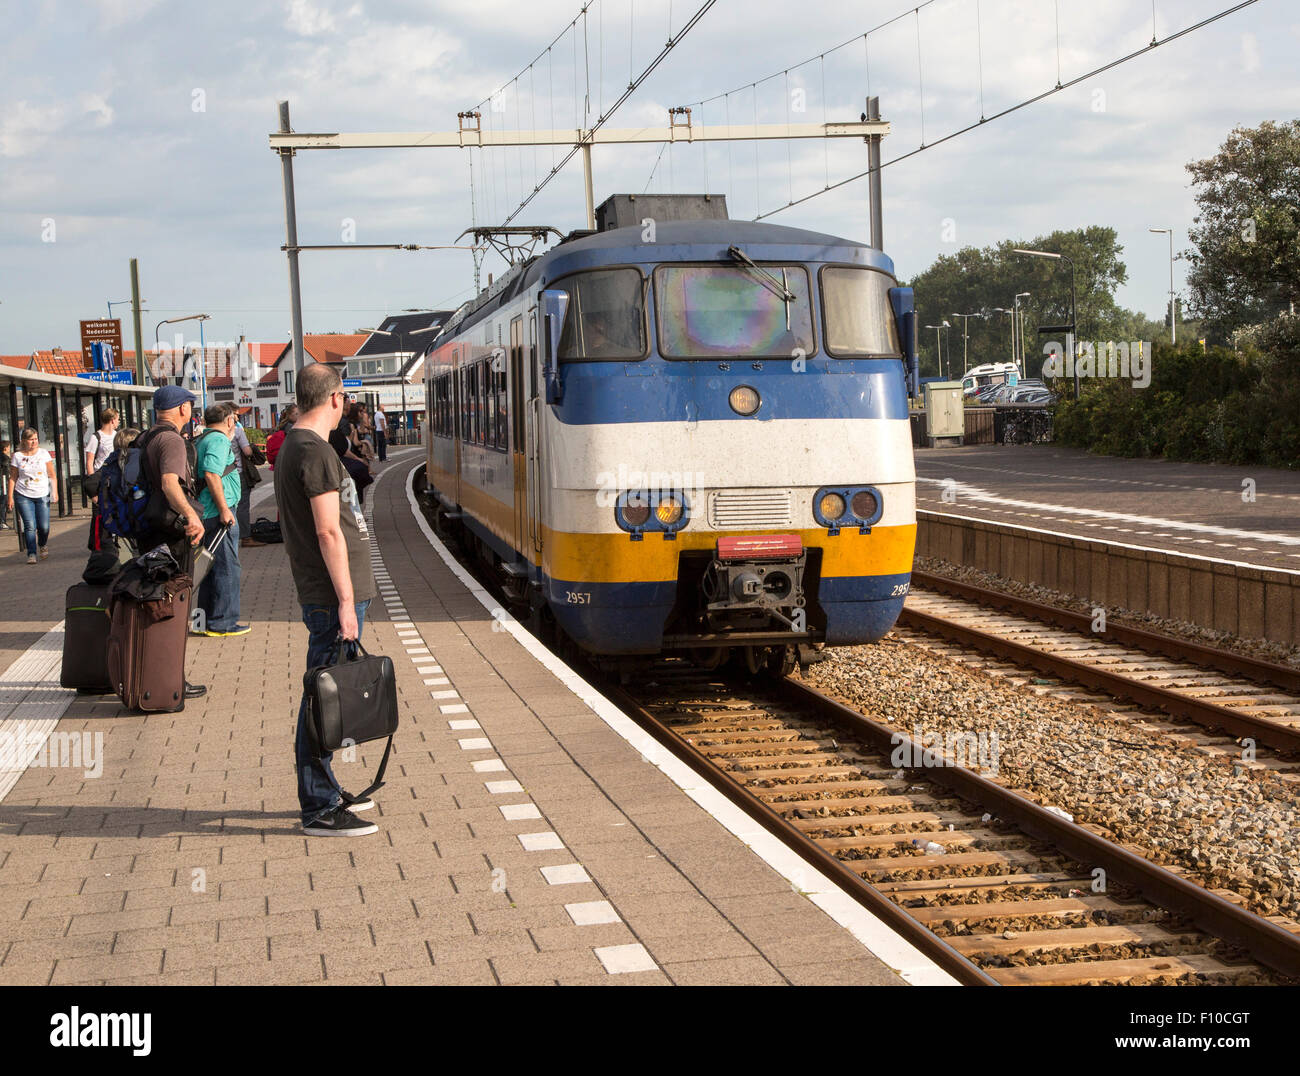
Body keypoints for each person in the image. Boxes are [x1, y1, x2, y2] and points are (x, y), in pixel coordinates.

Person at [273, 362, 378, 837]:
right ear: (335, 398)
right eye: (345, 399)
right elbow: (327, 530)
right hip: (331, 598)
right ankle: (318, 805)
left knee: (324, 695)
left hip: (329, 595)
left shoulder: (299, 445)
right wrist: (345, 600)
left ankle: (324, 793)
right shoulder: (312, 450)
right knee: (322, 699)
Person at [136, 385, 208, 701]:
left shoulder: (146, 437)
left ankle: (154, 675)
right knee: (175, 606)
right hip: (170, 533)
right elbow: (169, 483)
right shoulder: (172, 440)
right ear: (182, 409)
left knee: (155, 603)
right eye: (190, 405)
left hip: (149, 530)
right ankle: (172, 678)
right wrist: (191, 515)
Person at [193, 404, 249, 637]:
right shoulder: (218, 440)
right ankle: (223, 622)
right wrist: (225, 509)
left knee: (207, 569)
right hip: (218, 514)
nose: (235, 424)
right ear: (228, 421)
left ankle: (202, 621)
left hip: (208, 513)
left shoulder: (203, 438)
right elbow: (211, 474)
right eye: (235, 419)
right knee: (227, 568)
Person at [7, 428, 57, 564]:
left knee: (44, 526)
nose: (34, 442)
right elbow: (12, 477)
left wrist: (55, 492)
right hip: (23, 494)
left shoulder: (44, 454)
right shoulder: (17, 456)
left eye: (35, 439)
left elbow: (52, 475)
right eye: (31, 439)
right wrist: (10, 497)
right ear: (24, 441)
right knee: (29, 525)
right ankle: (31, 553)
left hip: (42, 494)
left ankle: (43, 544)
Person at [84, 408, 119, 480]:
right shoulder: (96, 437)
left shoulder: (118, 435)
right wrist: (92, 480)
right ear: (112, 421)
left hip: (114, 476)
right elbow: (89, 461)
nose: (118, 422)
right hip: (100, 477)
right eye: (117, 419)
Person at [266, 405, 298, 470]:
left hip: (280, 465)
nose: (299, 416)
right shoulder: (291, 429)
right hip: (288, 466)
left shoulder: (281, 427)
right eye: (297, 414)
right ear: (289, 415)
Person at [0, 439, 9, 530]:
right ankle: (2, 521)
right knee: (3, 502)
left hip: (2, 483)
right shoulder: (5, 458)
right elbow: (6, 472)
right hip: (3, 483)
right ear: (5, 448)